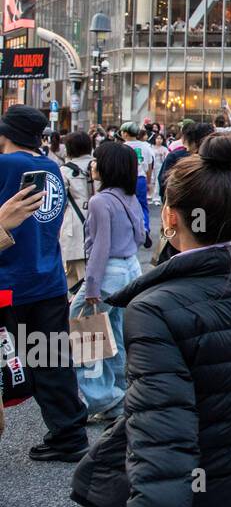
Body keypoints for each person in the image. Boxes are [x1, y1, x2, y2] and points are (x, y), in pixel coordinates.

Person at [70, 134, 231, 507]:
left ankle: (96, 397)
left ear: (170, 217)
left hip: (177, 501)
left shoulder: (154, 308)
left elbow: (160, 435)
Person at [0, 105, 87, 461]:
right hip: (47, 278)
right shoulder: (51, 167)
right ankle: (70, 434)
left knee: (10, 360)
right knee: (50, 358)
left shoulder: (5, 166)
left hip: (8, 281)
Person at [73, 141, 146, 422]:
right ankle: (118, 394)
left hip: (106, 275)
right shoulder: (128, 197)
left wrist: (91, 286)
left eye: (97, 160)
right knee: (114, 334)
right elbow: (141, 236)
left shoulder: (100, 201)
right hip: (130, 270)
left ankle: (101, 398)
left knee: (85, 333)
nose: (93, 165)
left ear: (107, 166)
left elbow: (100, 247)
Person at [59, 131, 95, 295]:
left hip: (74, 232)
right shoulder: (100, 166)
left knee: (76, 287)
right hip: (100, 231)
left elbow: (59, 204)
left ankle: (82, 320)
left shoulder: (65, 171)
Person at [120, 121, 155, 242]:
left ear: (125, 133)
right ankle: (145, 228)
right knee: (142, 206)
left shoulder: (123, 147)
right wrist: (149, 182)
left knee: (126, 205)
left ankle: (129, 231)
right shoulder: (146, 146)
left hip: (126, 179)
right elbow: (150, 166)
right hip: (141, 178)